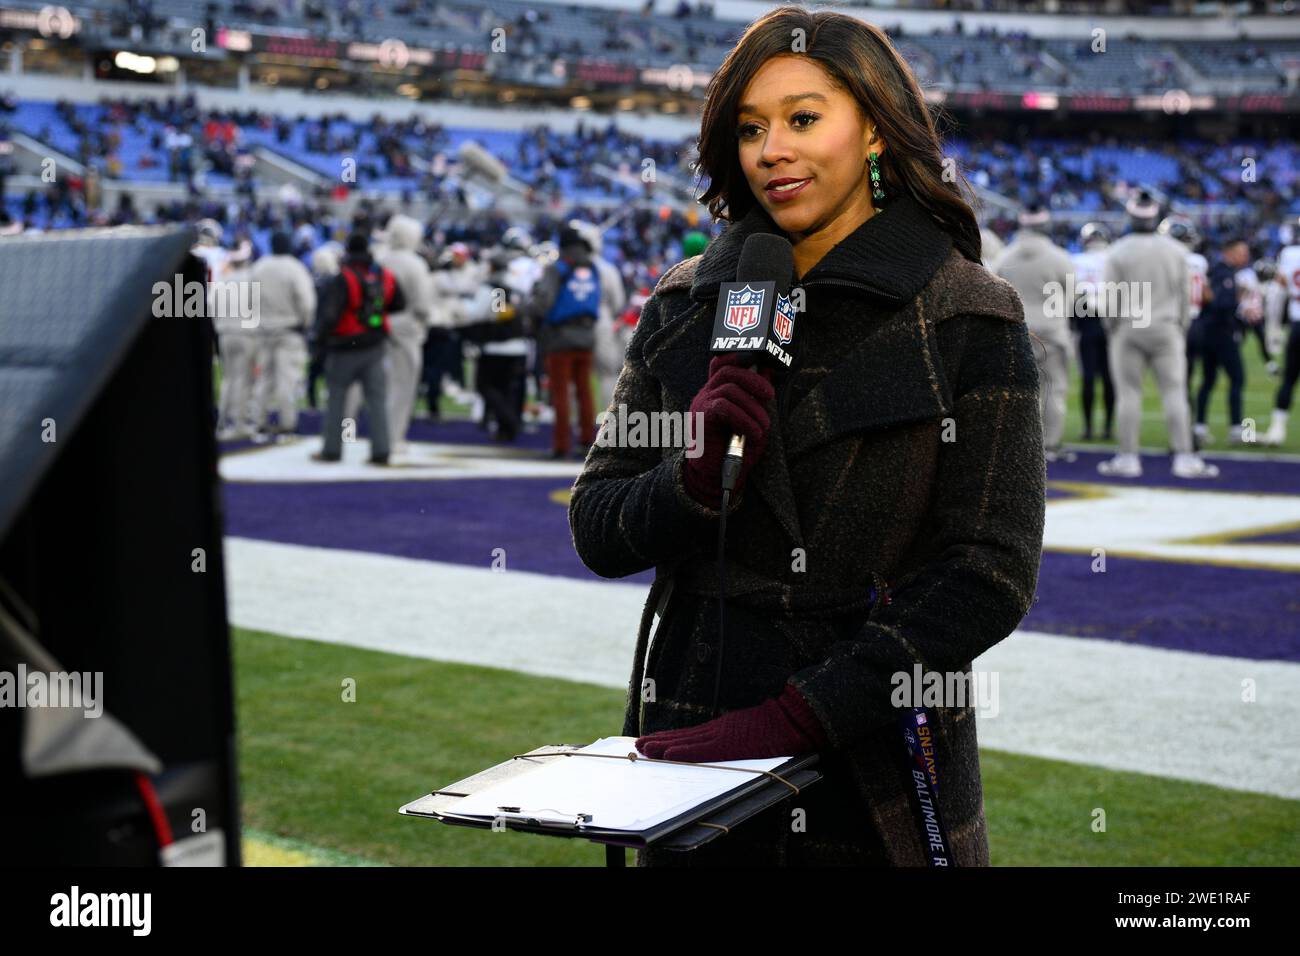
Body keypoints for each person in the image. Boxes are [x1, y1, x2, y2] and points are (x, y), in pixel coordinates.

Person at [568, 7, 1045, 867]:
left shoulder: (969, 311)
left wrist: (802, 715)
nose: (771, 150)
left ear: (873, 126)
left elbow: (990, 570)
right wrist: (690, 481)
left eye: (802, 118)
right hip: (693, 727)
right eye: (750, 128)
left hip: (875, 748)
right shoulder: (684, 302)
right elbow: (598, 526)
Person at [1097, 190, 1217, 479]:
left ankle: (1128, 458)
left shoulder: (1118, 251)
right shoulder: (1176, 251)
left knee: (1129, 395)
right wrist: (1180, 327)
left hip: (1128, 329)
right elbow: (1186, 297)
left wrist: (1112, 328)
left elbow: (1109, 300)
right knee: (1175, 393)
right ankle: (1184, 458)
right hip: (1166, 328)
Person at [310, 232, 407, 465]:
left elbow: (330, 315)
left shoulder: (343, 278)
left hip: (344, 346)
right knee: (377, 401)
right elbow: (400, 303)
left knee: (337, 400)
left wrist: (318, 342)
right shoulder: (384, 275)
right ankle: (381, 450)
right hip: (375, 345)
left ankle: (332, 449)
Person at [993, 202, 1076, 461]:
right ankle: (1049, 445)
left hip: (1018, 330)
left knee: (1021, 390)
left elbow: (996, 294)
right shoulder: (1060, 257)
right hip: (1051, 331)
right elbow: (1073, 298)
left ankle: (1021, 442)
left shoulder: (1004, 257)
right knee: (1054, 389)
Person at [528, 225, 602, 459]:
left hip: (560, 336)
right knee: (585, 391)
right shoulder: (593, 267)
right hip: (587, 335)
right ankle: (587, 440)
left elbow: (544, 303)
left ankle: (561, 445)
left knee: (560, 393)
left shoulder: (557, 268)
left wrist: (528, 306)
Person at [249, 231, 316, 439]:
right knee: (287, 379)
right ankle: (287, 424)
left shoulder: (259, 267)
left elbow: (249, 300)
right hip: (289, 330)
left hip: (264, 330)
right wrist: (306, 324)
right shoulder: (294, 268)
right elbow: (307, 302)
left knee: (264, 379)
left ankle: (258, 421)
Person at [376, 214, 433, 456]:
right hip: (406, 329)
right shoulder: (415, 264)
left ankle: (377, 436)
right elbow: (422, 306)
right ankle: (392, 438)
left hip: (376, 327)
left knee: (379, 387)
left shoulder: (379, 260)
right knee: (402, 386)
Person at [1194, 238, 1251, 446]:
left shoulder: (1218, 270)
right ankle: (1238, 429)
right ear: (1230, 252)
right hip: (1221, 334)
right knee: (1237, 379)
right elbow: (1219, 303)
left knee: (1208, 381)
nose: (1245, 257)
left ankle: (1199, 427)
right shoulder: (1223, 272)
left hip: (1209, 332)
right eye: (1242, 252)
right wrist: (1238, 299)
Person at [1072, 221, 1115, 441]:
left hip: (1087, 321)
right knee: (1109, 377)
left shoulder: (1077, 261)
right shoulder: (1112, 258)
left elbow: (1070, 297)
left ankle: (1088, 428)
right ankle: (1108, 427)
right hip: (1110, 323)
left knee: (1088, 377)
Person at [1261, 225, 1300, 446]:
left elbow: (1281, 285)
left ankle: (1277, 429)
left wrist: (1273, 328)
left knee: (1289, 379)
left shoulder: (1289, 254)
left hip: (1297, 323)